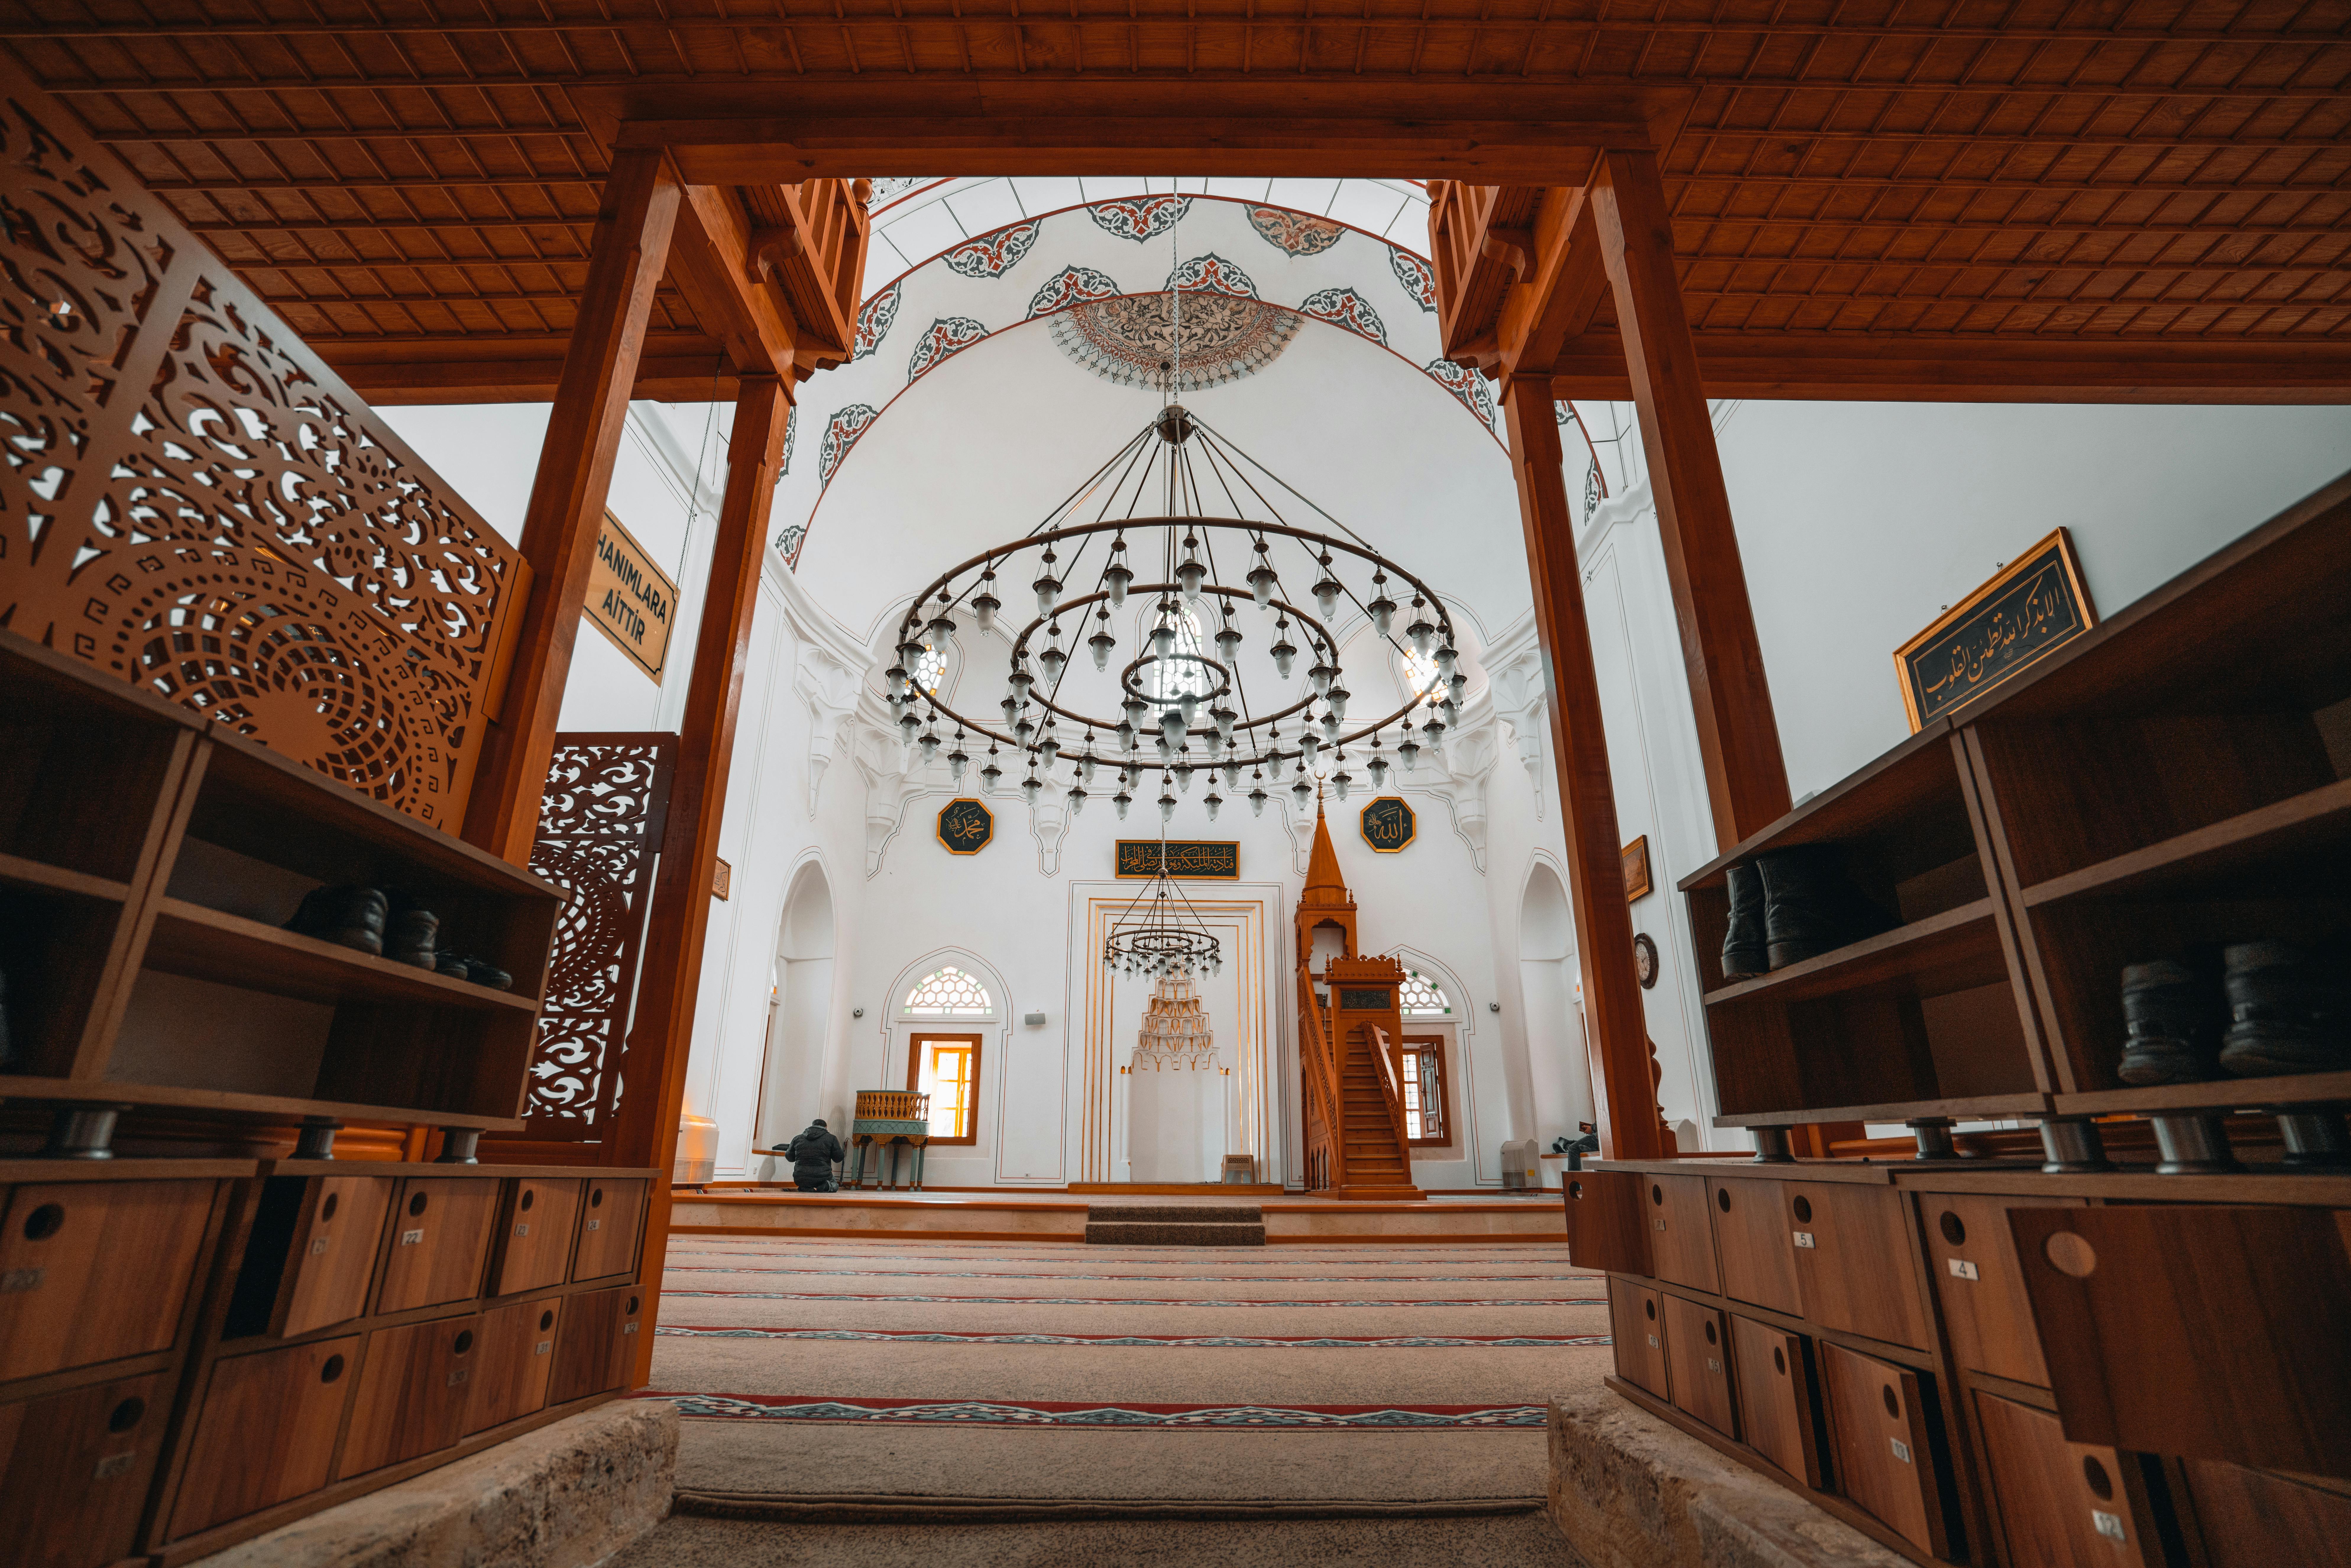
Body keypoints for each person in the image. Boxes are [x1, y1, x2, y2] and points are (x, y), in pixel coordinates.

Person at [780, 1118, 844, 1192]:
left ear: (813, 1126)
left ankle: (805, 1188)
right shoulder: (832, 1138)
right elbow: (839, 1159)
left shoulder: (797, 1138)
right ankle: (826, 1187)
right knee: (835, 1185)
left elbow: (790, 1158)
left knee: (805, 1181)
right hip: (823, 1178)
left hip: (801, 1178)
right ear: (826, 1128)